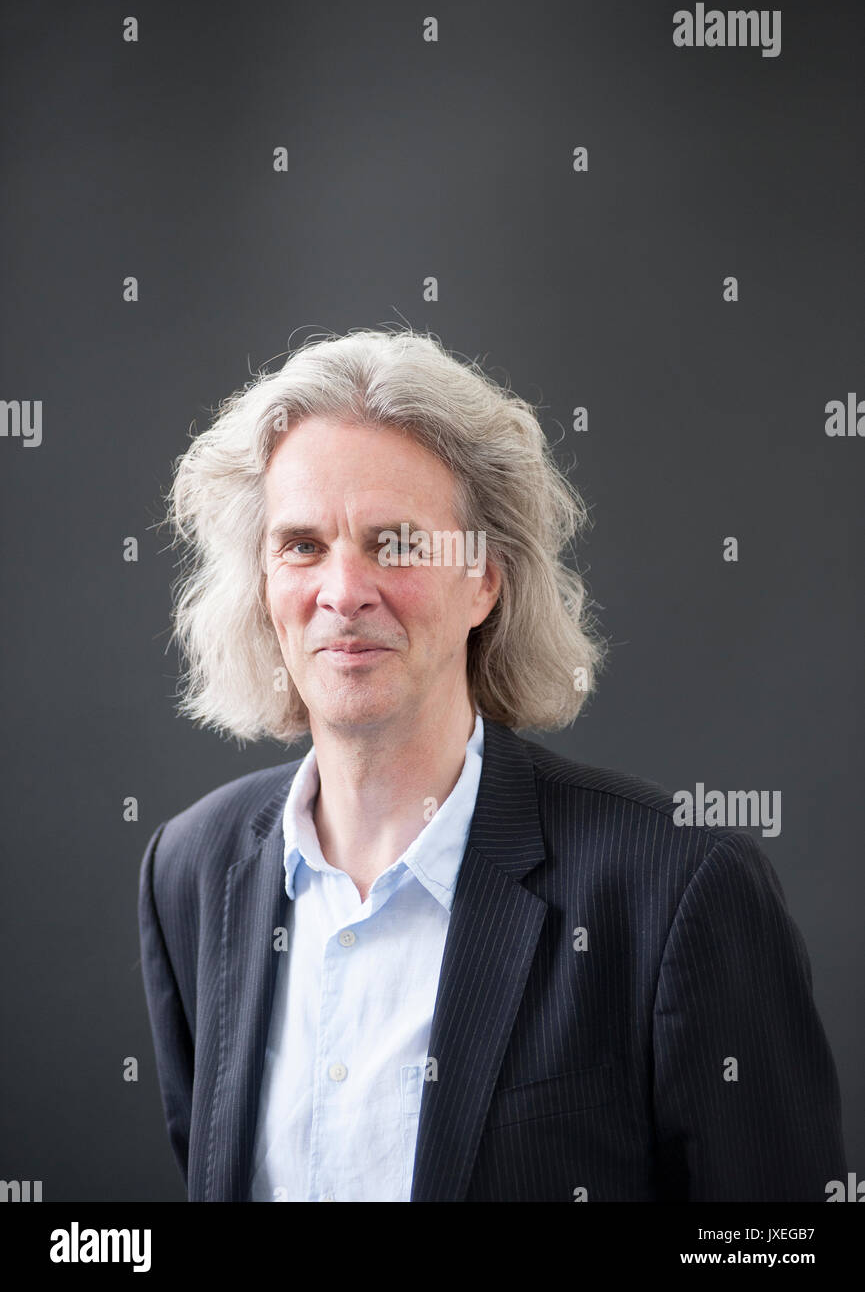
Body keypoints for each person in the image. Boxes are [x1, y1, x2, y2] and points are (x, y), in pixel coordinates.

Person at [138, 327, 846, 1201]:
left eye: (395, 543)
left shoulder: (678, 888)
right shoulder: (190, 870)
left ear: (486, 580)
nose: (343, 590)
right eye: (302, 544)